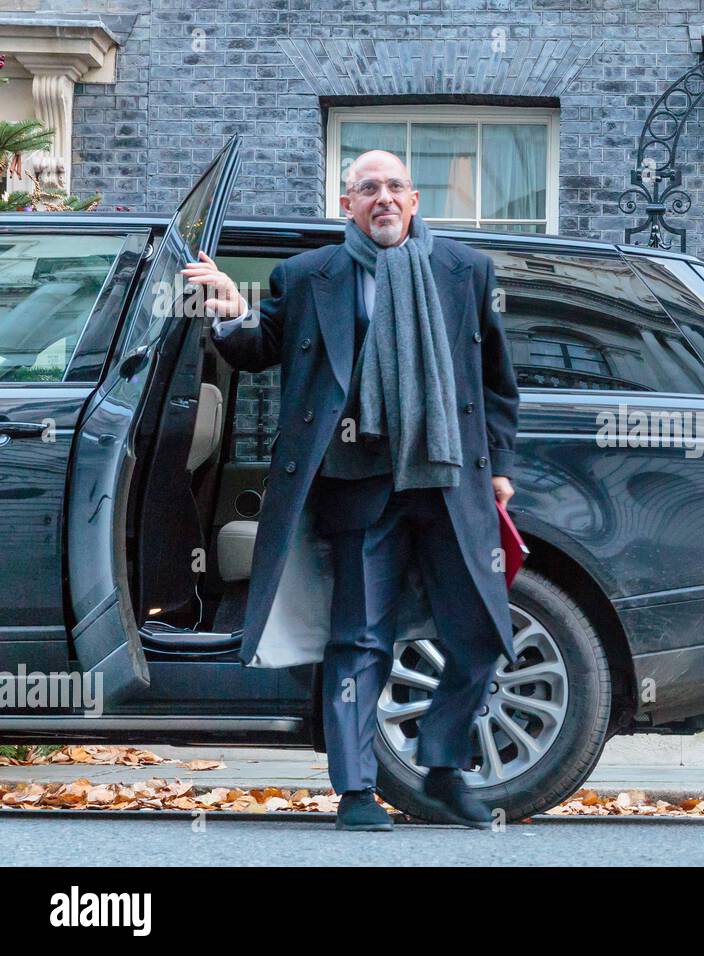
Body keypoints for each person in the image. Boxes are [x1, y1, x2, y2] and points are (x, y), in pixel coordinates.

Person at [181, 150, 520, 831]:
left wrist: (503, 465)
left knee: (481, 631)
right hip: (355, 480)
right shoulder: (309, 277)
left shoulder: (466, 272)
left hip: (447, 477)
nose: (383, 198)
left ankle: (443, 768)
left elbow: (495, 383)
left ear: (415, 201)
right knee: (359, 638)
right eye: (368, 189)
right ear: (348, 206)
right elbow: (257, 350)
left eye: (395, 187)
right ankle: (356, 790)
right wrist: (229, 308)